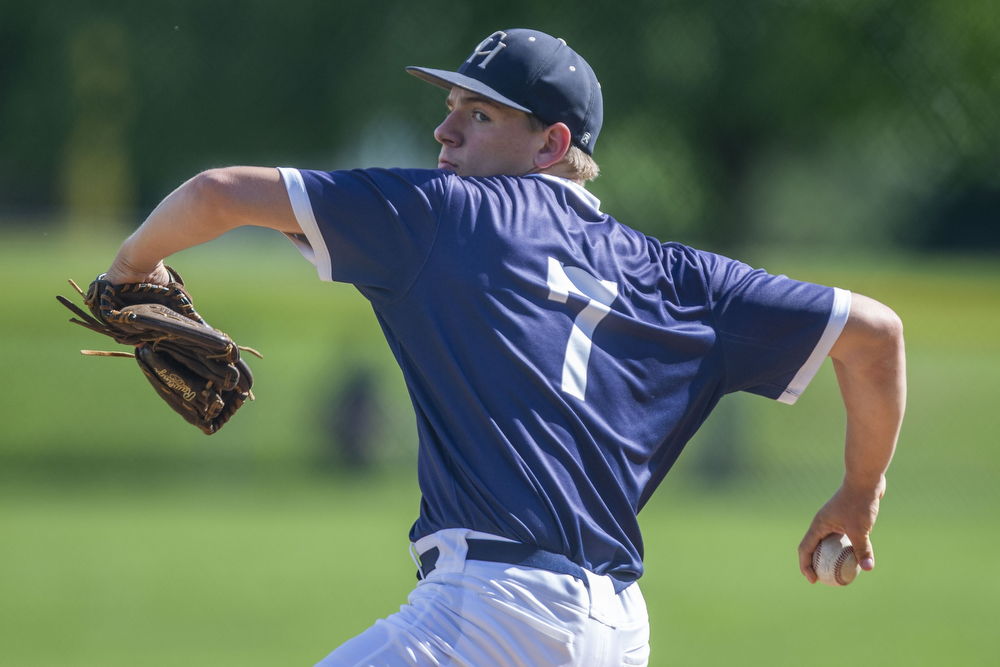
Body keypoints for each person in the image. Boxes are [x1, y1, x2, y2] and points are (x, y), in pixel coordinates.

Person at [102, 28, 906, 667]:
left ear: (552, 145)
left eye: (479, 115)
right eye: (453, 104)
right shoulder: (683, 278)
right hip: (618, 633)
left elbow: (216, 193)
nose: (445, 129)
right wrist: (858, 494)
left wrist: (129, 272)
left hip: (491, 615)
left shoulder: (446, 215)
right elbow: (875, 336)